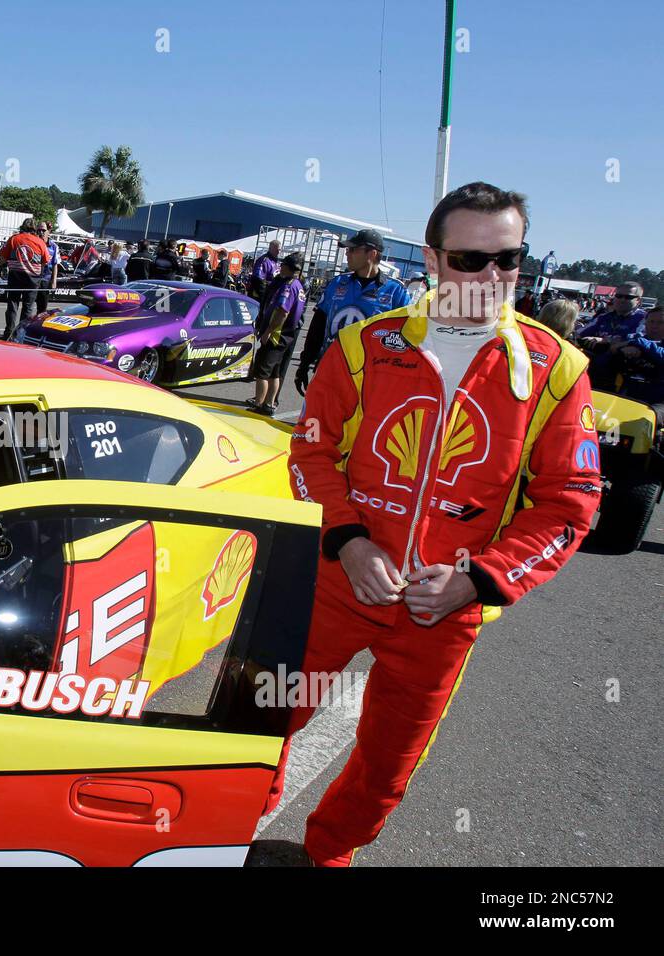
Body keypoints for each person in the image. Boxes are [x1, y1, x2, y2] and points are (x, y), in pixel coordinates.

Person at [271, 181, 600, 867]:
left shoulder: (557, 369)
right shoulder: (364, 346)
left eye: (507, 259)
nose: (490, 278)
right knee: (257, 721)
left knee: (386, 771)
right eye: (469, 260)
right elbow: (312, 452)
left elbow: (570, 502)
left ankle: (325, 858)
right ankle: (215, 832)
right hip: (333, 584)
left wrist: (481, 579)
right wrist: (350, 542)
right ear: (432, 258)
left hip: (445, 612)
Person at [295, 229, 411, 394]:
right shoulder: (337, 283)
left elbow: (407, 339)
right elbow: (318, 326)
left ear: (372, 253)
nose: (347, 254)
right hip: (329, 369)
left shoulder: (396, 291)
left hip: (368, 379)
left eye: (353, 250)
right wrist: (304, 363)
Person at [248, 252, 305, 414]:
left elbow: (282, 312)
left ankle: (259, 404)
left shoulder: (289, 286)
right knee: (275, 373)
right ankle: (269, 403)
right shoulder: (298, 285)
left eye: (284, 265)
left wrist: (268, 331)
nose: (281, 267)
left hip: (277, 335)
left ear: (289, 267)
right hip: (286, 336)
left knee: (262, 371)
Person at [0, 218, 48, 339]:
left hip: (15, 276)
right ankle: (20, 335)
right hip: (33, 279)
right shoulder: (40, 242)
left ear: (22, 227)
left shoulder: (14, 239)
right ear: (34, 228)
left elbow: (3, 257)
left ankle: (8, 333)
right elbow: (45, 261)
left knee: (12, 305)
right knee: (28, 306)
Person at [35, 222, 59, 313]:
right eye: (39, 230)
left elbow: (55, 264)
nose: (41, 232)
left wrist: (54, 281)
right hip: (33, 278)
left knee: (42, 308)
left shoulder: (54, 246)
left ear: (49, 231)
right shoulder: (34, 243)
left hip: (45, 279)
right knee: (28, 305)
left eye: (43, 230)